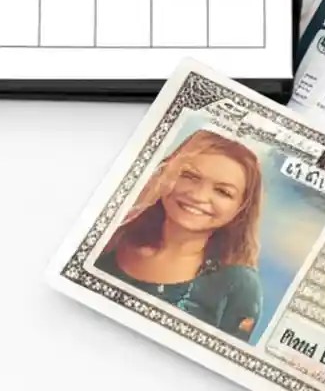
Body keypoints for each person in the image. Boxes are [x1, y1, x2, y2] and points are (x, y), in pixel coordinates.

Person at [96, 129, 265, 341]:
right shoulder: (114, 236)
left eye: (223, 192)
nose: (198, 195)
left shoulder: (239, 284)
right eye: (189, 176)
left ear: (241, 208)